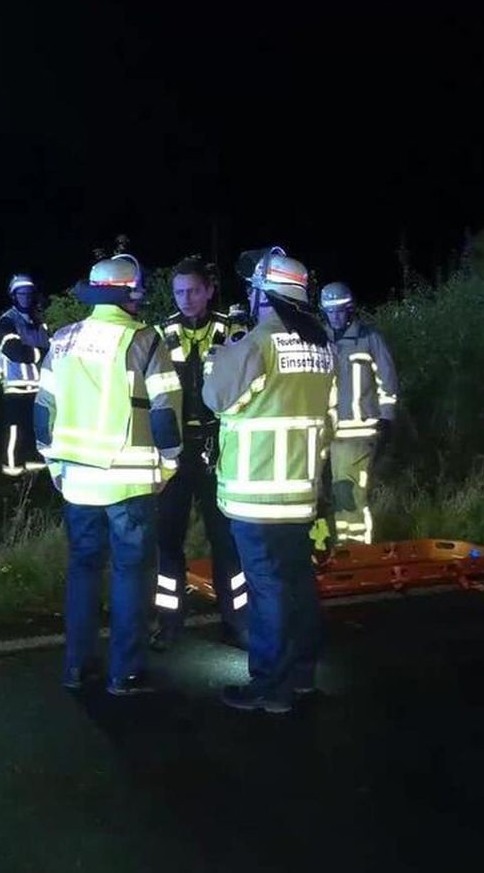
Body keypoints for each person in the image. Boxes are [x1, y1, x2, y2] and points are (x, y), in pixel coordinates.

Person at [35, 253, 182, 696]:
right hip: (130, 482)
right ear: (128, 294)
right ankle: (125, 673)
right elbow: (165, 413)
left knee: (83, 570)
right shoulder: (145, 341)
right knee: (130, 575)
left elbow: (42, 412)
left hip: (77, 481)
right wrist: (169, 466)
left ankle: (76, 668)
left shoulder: (62, 339)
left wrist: (55, 465)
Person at [204, 247, 335, 714]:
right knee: (297, 584)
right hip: (299, 492)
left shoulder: (258, 344)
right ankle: (300, 675)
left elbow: (217, 398)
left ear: (265, 293)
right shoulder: (321, 346)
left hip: (256, 493)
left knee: (268, 591)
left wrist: (221, 357)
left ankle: (269, 686)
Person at [150, 255, 249, 649]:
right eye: (178, 292)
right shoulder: (159, 333)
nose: (185, 298)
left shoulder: (235, 331)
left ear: (209, 290)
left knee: (226, 541)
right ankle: (169, 624)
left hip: (217, 447)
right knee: (167, 541)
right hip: (174, 452)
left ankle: (237, 621)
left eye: (192, 290)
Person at [318, 281, 399, 545]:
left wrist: (386, 418)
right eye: (330, 311)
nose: (335, 316)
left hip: (357, 432)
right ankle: (324, 546)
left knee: (349, 494)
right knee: (315, 493)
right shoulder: (319, 340)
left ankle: (354, 550)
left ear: (350, 309)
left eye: (340, 310)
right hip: (321, 431)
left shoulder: (368, 339)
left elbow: (388, 381)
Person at [0, 273, 51, 478]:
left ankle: (34, 464)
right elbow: (14, 351)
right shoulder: (7, 321)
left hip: (38, 385)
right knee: (14, 429)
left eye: (29, 293)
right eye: (21, 293)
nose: (26, 297)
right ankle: (12, 468)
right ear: (14, 296)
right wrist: (42, 354)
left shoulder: (39, 323)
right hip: (15, 385)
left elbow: (50, 347)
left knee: (35, 426)